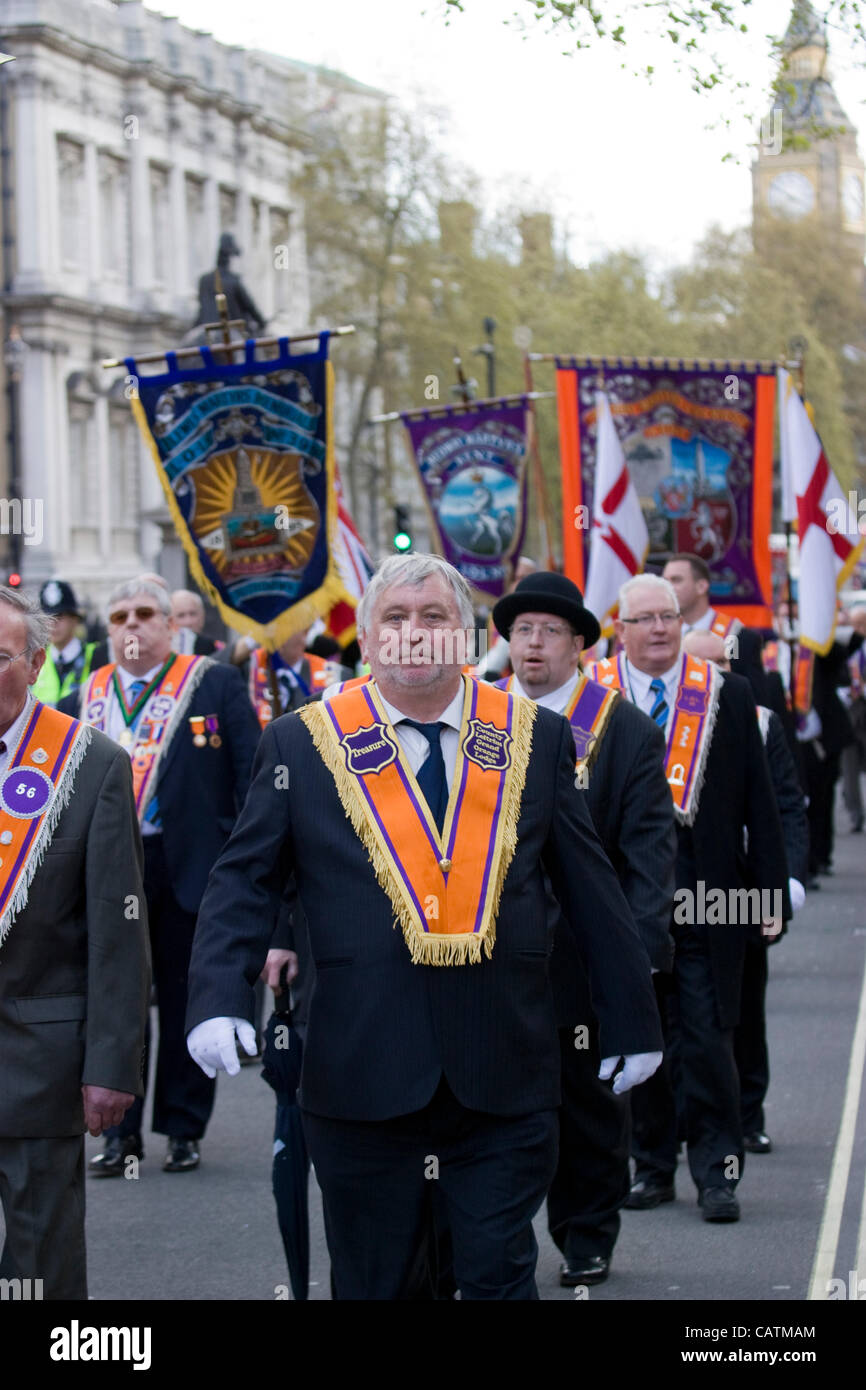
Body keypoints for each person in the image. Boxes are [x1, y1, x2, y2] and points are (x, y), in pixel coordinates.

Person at [185, 553, 663, 1300]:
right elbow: (243, 879)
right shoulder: (299, 744)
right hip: (359, 1076)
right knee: (378, 1284)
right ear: (368, 641)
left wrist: (633, 1017)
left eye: (435, 618)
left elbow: (592, 889)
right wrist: (217, 997)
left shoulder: (535, 738)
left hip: (504, 1073)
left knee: (498, 1275)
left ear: (468, 638)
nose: (415, 635)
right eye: (396, 620)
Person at [490, 570, 675, 1287]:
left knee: (587, 1104)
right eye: (522, 631)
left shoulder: (622, 727)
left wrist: (635, 958)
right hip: (494, 950)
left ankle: (587, 1232)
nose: (533, 646)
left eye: (550, 632)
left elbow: (648, 851)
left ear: (578, 646)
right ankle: (498, 1235)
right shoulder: (479, 716)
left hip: (582, 954)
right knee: (493, 1099)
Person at [586, 574, 788, 1223]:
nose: (659, 629)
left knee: (706, 1039)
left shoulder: (727, 695)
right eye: (644, 619)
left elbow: (761, 801)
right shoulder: (597, 700)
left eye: (668, 617)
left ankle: (718, 1171)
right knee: (644, 1038)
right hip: (628, 902)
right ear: (622, 630)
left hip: (711, 898)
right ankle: (651, 1167)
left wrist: (770, 893)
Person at [60, 577, 260, 1175]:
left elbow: (249, 773)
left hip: (189, 867)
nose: (131, 625)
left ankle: (182, 1126)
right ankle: (119, 1135)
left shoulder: (214, 682)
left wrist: (239, 858)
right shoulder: (81, 698)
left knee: (182, 998)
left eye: (146, 613)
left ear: (171, 625)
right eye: (119, 615)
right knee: (115, 1001)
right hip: (108, 872)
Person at [0, 585, 149, 1299]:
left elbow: (116, 930)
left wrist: (112, 1063)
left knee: (41, 1265)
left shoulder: (90, 766)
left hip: (37, 1061)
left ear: (33, 663)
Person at [684, 627, 808, 1155]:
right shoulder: (660, 727)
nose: (713, 677)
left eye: (722, 667)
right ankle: (677, 1130)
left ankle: (749, 1111)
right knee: (685, 1018)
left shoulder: (758, 721)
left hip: (745, 888)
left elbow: (786, 808)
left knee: (743, 1004)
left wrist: (786, 887)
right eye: (701, 668)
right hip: (681, 892)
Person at [32, 580, 100, 707]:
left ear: (75, 619)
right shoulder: (35, 662)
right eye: (47, 617)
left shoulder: (97, 656)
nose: (53, 623)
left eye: (59, 616)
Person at [662, 553, 740, 639]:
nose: (668, 587)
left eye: (676, 580)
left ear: (701, 587)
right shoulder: (660, 634)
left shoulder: (735, 634)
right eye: (665, 581)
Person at [170, 589, 219, 656]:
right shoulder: (164, 651)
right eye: (181, 615)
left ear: (202, 615)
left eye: (193, 614)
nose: (188, 622)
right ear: (170, 620)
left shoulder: (214, 648)